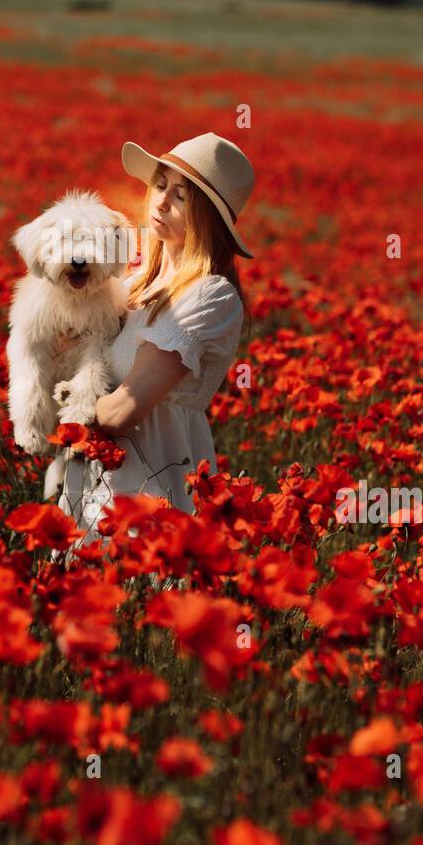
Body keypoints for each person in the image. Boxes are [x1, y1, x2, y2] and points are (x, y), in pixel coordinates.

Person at [46, 131, 255, 560]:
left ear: (209, 218)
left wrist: (54, 415)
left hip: (153, 487)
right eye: (159, 185)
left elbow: (123, 412)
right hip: (91, 482)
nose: (160, 202)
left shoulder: (210, 294)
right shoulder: (133, 276)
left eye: (181, 196)